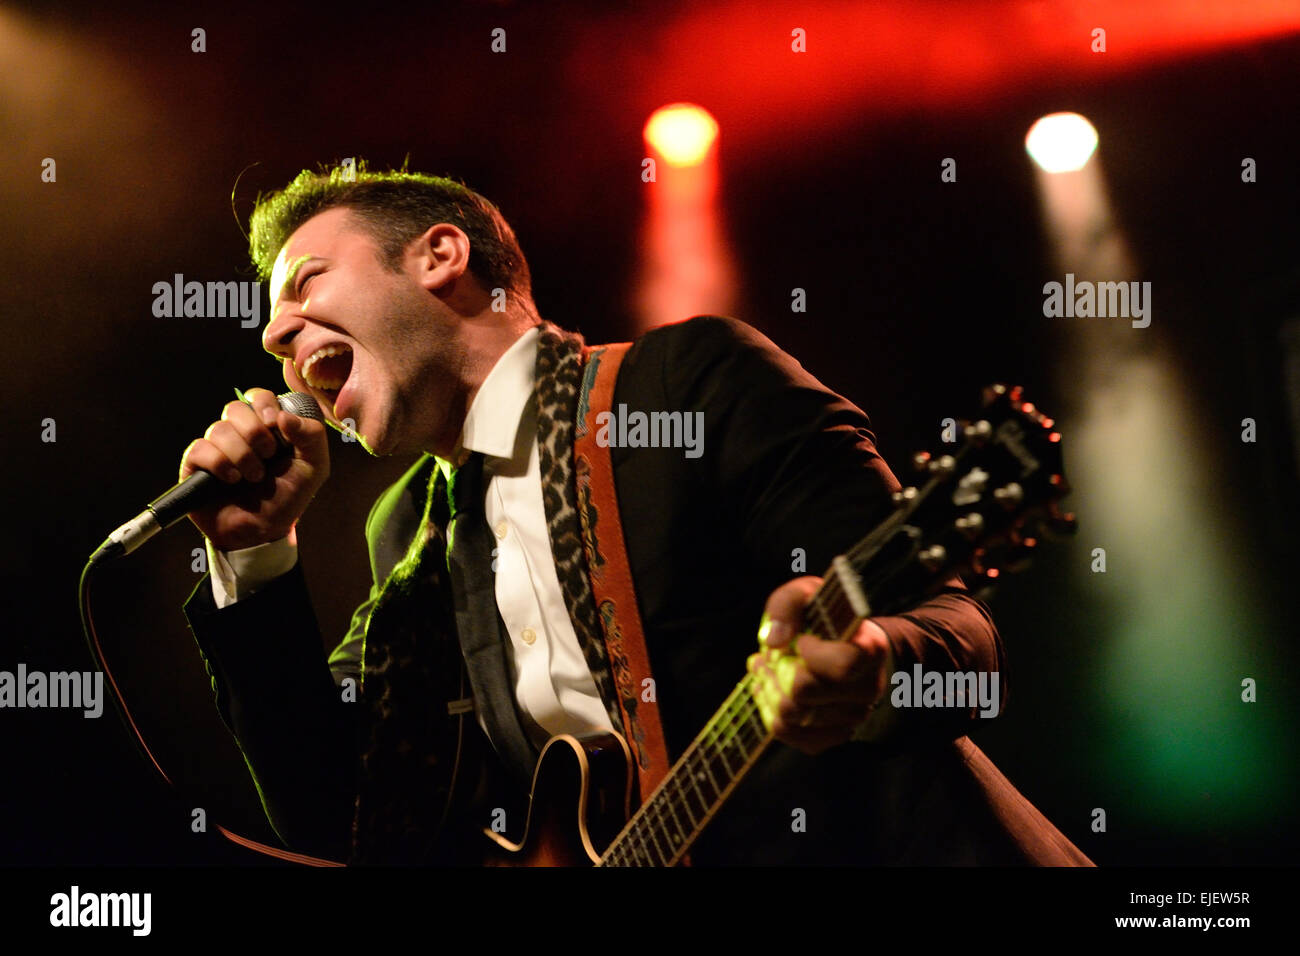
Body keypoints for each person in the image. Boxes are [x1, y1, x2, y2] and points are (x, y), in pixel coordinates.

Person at [180, 163, 1092, 866]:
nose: (273, 335)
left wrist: (873, 667)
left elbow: (965, 649)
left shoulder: (687, 382)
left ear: (439, 256)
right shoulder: (411, 535)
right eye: (272, 315)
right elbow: (341, 816)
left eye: (306, 282)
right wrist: (256, 561)